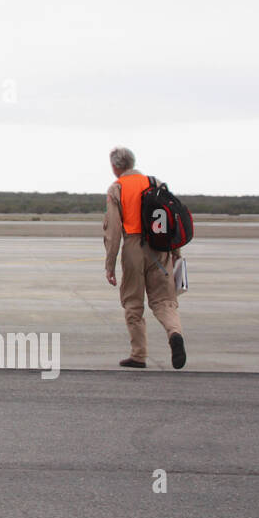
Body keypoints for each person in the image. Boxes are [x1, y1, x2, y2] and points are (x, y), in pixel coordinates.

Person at [103, 146, 187, 370]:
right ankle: (175, 333)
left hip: (133, 247)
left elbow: (113, 230)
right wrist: (175, 254)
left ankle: (139, 354)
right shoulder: (155, 183)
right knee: (163, 301)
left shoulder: (117, 188)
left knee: (133, 302)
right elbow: (173, 220)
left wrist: (110, 265)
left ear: (115, 166)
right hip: (160, 248)